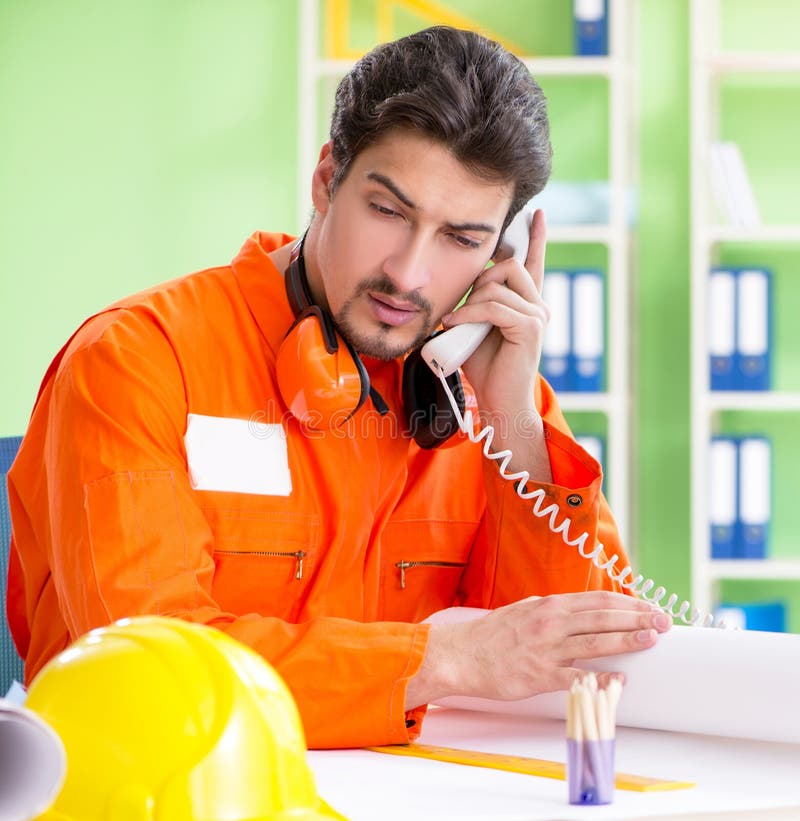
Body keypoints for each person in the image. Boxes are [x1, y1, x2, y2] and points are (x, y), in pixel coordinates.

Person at [6, 25, 670, 749]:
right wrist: (443, 660)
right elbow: (151, 672)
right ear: (327, 178)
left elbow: (574, 662)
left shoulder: (489, 397)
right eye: (388, 210)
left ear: (500, 254)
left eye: (461, 238)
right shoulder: (136, 360)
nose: (411, 275)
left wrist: (516, 423)